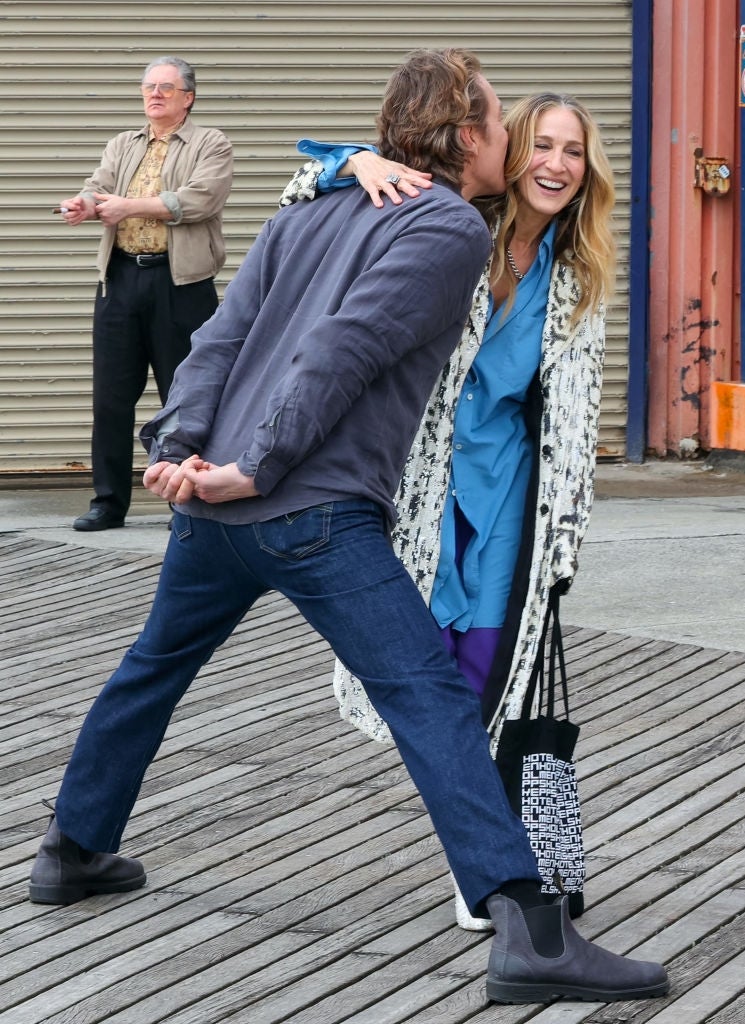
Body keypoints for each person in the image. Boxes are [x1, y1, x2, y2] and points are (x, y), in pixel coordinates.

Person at [29, 52, 667, 1006]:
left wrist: (181, 448)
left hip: (219, 509)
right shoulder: (448, 225)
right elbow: (348, 345)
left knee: (152, 667)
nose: (508, 138)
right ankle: (528, 932)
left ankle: (71, 851)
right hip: (310, 508)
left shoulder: (307, 211)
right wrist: (258, 462)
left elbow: (221, 339)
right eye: (498, 124)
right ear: (464, 137)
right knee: (429, 700)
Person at [280, 92, 616, 930]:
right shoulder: (452, 222)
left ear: (588, 171)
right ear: (512, 152)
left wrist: (566, 538)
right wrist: (352, 159)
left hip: (507, 489)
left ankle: (485, 871)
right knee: (418, 663)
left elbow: (576, 415)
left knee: (486, 671)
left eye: (574, 151)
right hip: (416, 482)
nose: (556, 163)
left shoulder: (578, 275)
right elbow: (297, 190)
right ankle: (489, 854)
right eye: (541, 143)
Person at [58, 56, 234, 532]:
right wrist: (85, 204)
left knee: (186, 395)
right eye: (148, 87)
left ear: (188, 97)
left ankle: (190, 498)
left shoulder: (210, 143)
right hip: (120, 280)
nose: (154, 94)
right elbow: (99, 188)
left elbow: (200, 200)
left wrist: (128, 206)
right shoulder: (123, 143)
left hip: (180, 285)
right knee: (111, 399)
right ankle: (108, 503)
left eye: (166, 87)